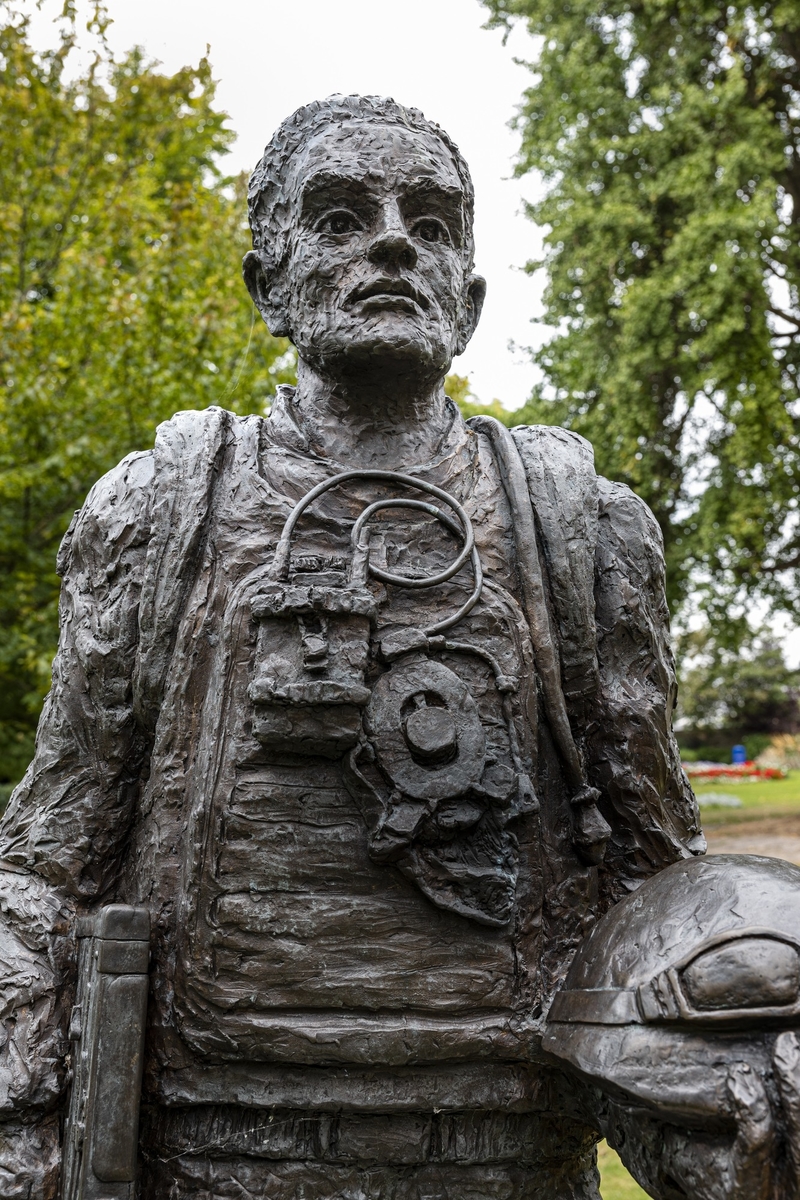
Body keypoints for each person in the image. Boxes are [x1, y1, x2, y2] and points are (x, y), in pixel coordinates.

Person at [0, 94, 702, 1199]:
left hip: (501, 1144)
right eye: (337, 216)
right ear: (265, 284)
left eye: (429, 222)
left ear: (466, 299)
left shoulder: (577, 526)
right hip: (209, 1142)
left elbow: (660, 877)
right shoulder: (158, 511)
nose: (389, 240)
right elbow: (50, 854)